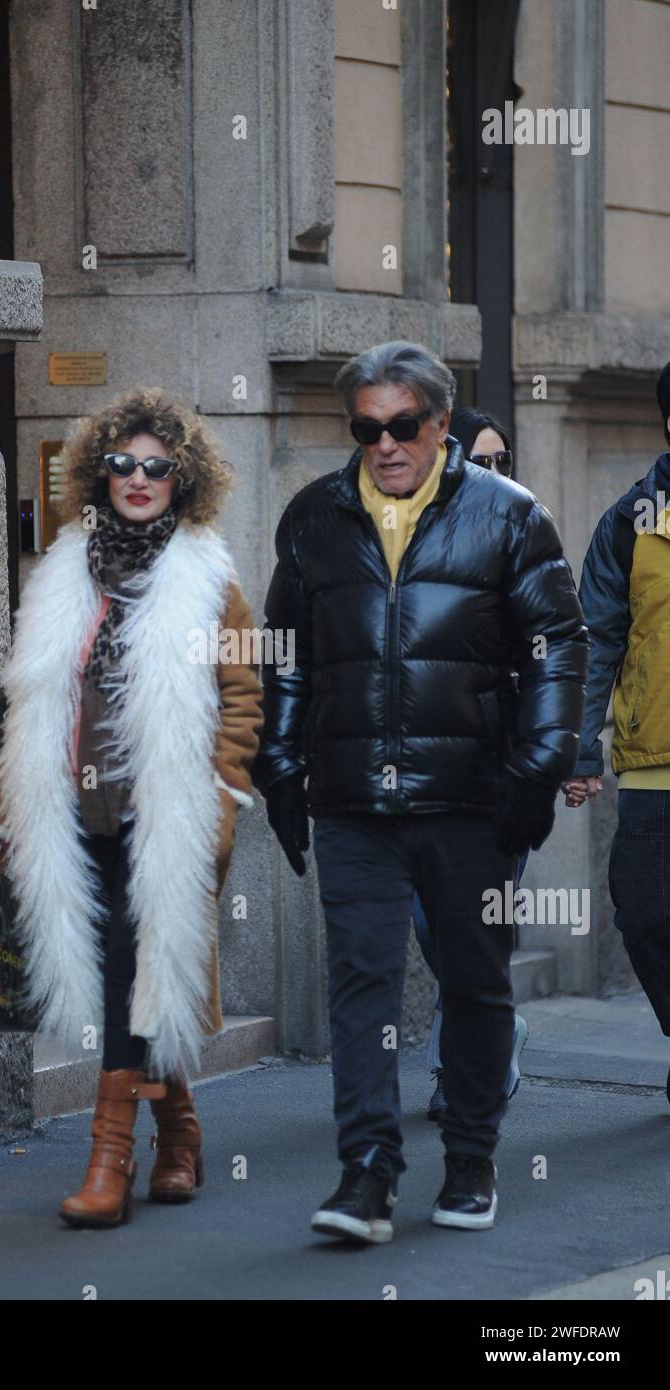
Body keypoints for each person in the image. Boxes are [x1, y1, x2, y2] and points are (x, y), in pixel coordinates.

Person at [253, 340, 588, 1242]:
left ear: (441, 425)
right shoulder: (314, 519)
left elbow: (556, 646)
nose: (386, 444)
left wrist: (543, 761)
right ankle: (366, 1172)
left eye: (403, 425)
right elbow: (285, 658)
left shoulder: (510, 517)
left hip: (470, 797)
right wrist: (277, 765)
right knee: (360, 981)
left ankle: (472, 1160)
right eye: (367, 428)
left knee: (474, 980)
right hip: (352, 797)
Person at [0, 387, 264, 1228]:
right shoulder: (62, 570)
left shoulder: (210, 580)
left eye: (156, 467)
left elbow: (242, 697)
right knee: (129, 986)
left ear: (183, 478)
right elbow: (33, 705)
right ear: (99, 474)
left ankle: (109, 1163)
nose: (138, 479)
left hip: (162, 818)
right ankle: (180, 1133)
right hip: (73, 819)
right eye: (122, 464)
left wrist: (219, 798)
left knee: (134, 984)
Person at [414, 407, 528, 1123]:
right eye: (477, 463)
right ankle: (492, 1030)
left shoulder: (523, 539)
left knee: (474, 927)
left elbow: (561, 656)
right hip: (421, 775)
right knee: (434, 927)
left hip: (501, 773)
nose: (492, 477)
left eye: (501, 463)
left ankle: (458, 1076)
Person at [562, 362, 670, 1104]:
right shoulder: (629, 522)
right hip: (653, 762)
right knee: (643, 913)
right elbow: (593, 641)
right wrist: (575, 744)